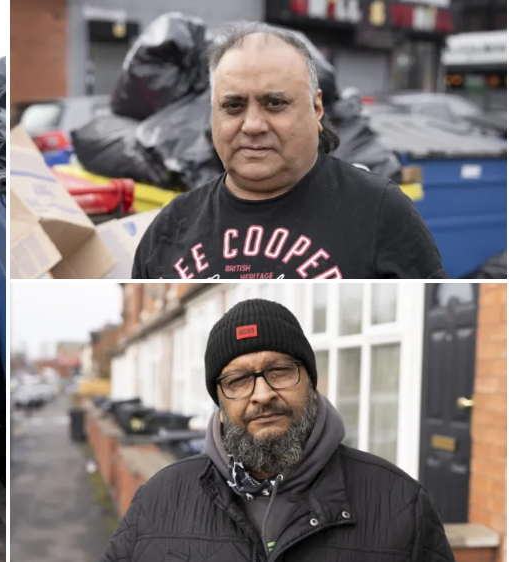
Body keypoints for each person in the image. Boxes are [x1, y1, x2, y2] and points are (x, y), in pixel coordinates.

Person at [100, 299, 455, 561]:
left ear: (311, 382)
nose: (263, 395)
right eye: (238, 380)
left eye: (280, 371)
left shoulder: (400, 503)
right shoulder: (161, 497)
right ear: (219, 401)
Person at [131, 22, 445, 279]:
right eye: (233, 106)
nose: (252, 124)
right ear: (213, 114)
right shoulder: (170, 226)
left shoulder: (380, 212)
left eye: (275, 103)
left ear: (317, 107)